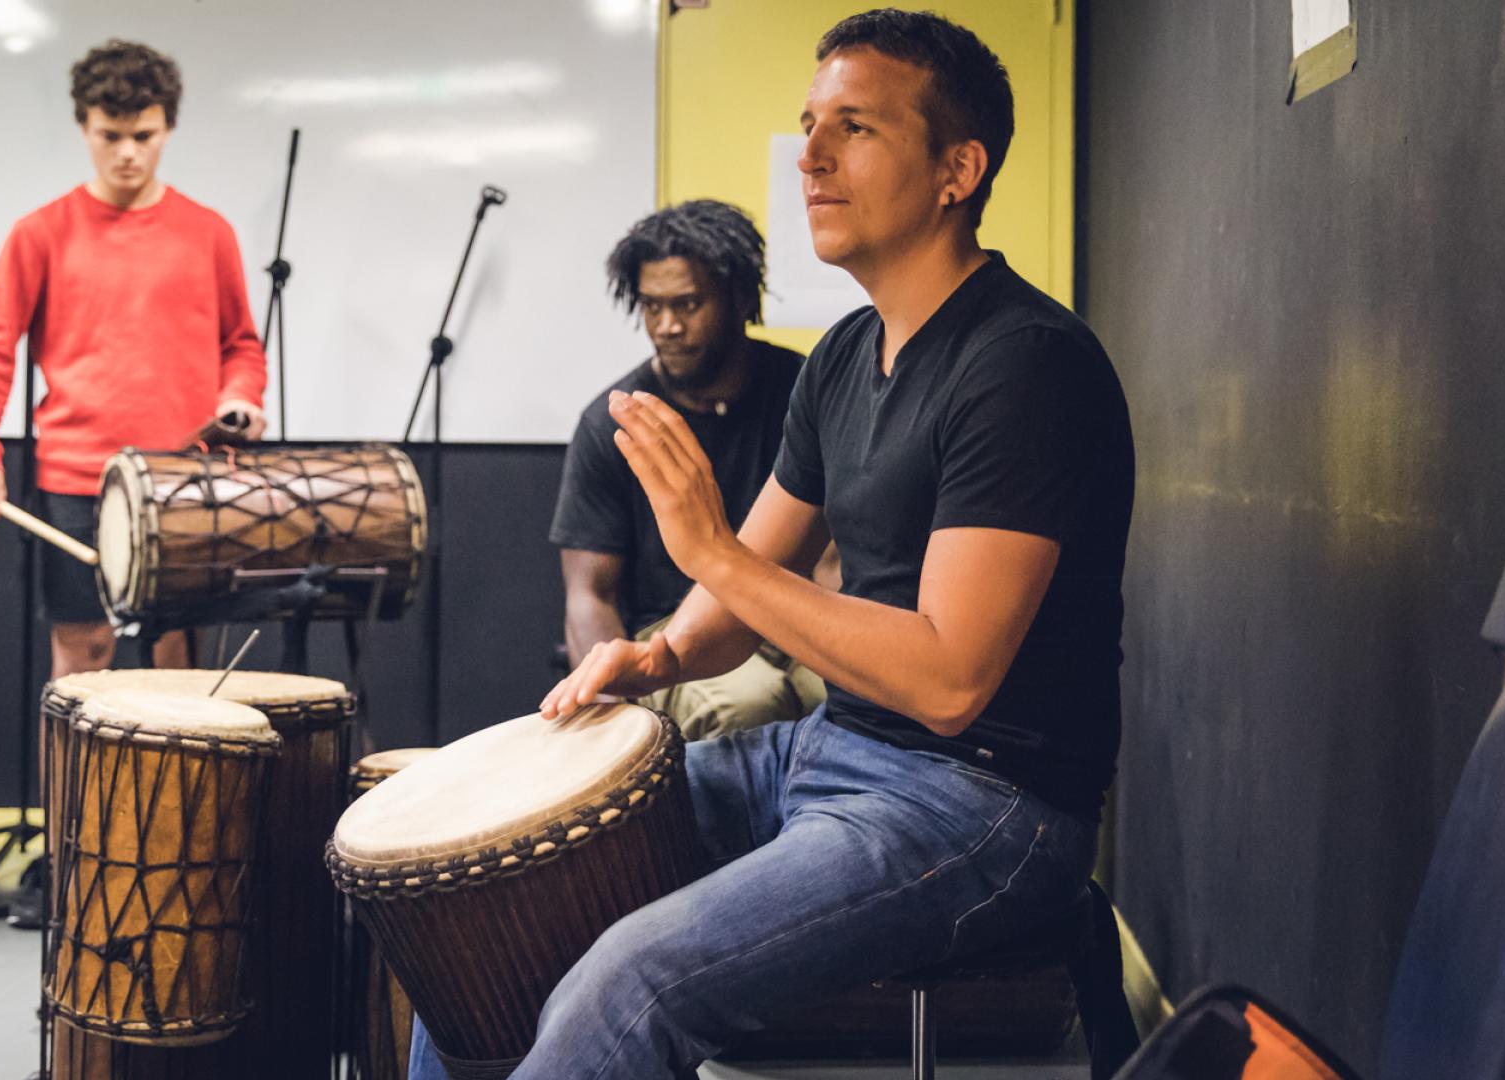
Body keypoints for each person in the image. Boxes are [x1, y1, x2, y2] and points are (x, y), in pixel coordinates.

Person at [410, 9, 1135, 1076]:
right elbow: (738, 598)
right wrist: (654, 658)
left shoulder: (1024, 365)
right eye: (808, 125)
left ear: (957, 169)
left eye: (856, 128)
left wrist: (714, 555)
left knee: (631, 983)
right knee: (501, 886)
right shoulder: (846, 356)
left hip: (983, 803)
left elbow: (946, 681)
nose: (811, 155)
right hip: (833, 751)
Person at [0, 39, 267, 927]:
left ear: (169, 129)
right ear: (84, 128)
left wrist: (241, 398)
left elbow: (242, 345)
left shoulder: (208, 233)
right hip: (76, 480)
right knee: (80, 660)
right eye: (110, 134)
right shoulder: (41, 233)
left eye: (145, 134)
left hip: (182, 484)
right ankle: (74, 854)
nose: (128, 152)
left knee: (177, 669)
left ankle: (175, 851)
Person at [552, 200, 827, 741]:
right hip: (674, 636)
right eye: (652, 307)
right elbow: (591, 596)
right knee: (745, 706)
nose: (668, 326)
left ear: (741, 299)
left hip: (796, 619)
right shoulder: (610, 421)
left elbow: (837, 564)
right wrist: (608, 720)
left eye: (688, 304)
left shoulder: (806, 391)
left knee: (858, 704)